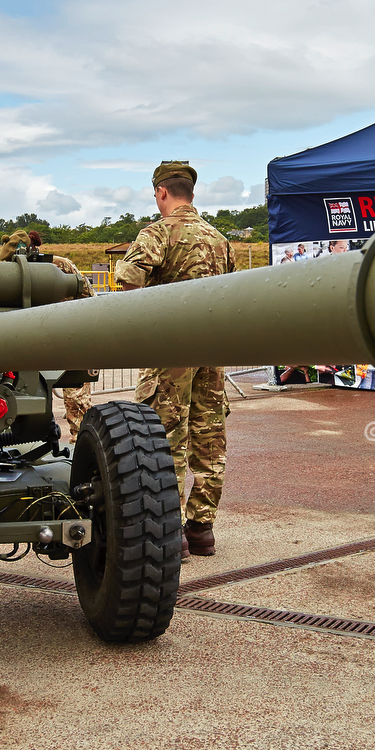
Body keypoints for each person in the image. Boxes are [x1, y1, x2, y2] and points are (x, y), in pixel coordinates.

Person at [115, 160, 234, 557]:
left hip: (171, 352)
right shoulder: (220, 239)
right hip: (213, 351)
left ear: (162, 192)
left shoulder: (157, 233)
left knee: (162, 438)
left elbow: (129, 278)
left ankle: (171, 533)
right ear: (191, 193)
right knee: (209, 436)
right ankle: (201, 529)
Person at [0, 229, 96, 440]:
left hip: (69, 337)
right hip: (33, 341)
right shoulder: (8, 272)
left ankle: (82, 447)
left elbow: (89, 295)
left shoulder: (59, 266)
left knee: (76, 398)